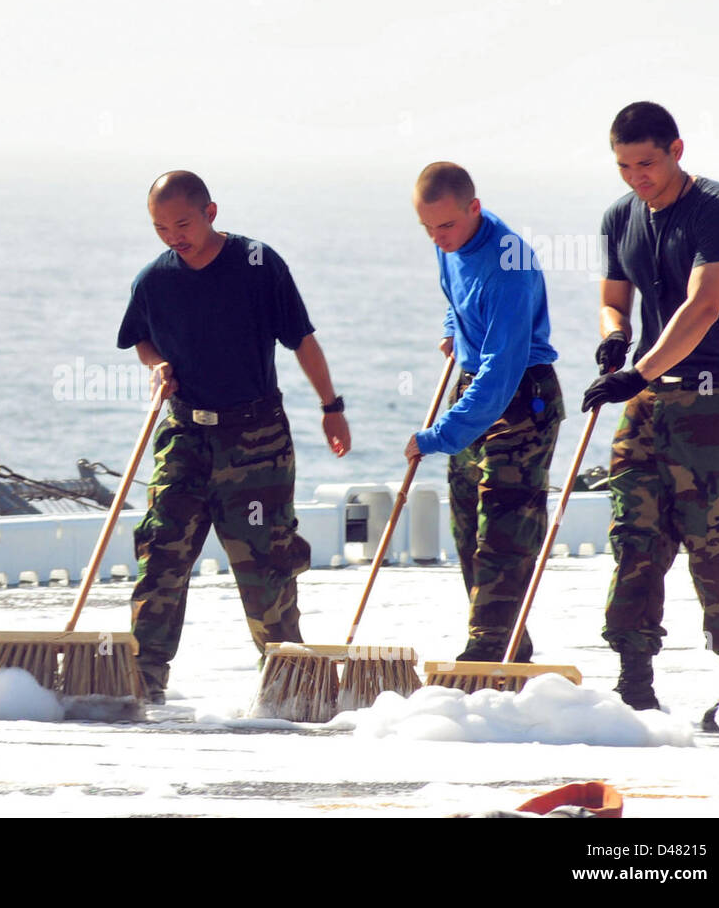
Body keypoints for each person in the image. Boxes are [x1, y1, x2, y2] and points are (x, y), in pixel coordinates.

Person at [116, 170, 350, 703]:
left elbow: (302, 340)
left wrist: (331, 407)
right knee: (160, 557)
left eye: (183, 223)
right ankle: (140, 686)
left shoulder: (257, 265)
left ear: (211, 213)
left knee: (267, 565)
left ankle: (291, 690)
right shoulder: (153, 279)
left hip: (256, 438)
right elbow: (142, 339)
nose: (174, 236)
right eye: (160, 227)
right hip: (184, 435)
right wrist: (156, 366)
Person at [583, 101, 719, 730]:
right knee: (635, 537)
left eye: (647, 164)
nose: (637, 178)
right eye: (624, 166)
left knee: (717, 548)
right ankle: (634, 687)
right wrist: (613, 335)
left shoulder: (717, 209)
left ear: (677, 151)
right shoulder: (620, 215)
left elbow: (704, 305)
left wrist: (637, 371)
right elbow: (612, 295)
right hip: (648, 401)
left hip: (715, 401)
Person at [404, 162, 564, 663]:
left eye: (446, 226)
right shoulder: (445, 239)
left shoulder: (510, 261)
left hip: (520, 396)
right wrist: (454, 325)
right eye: (427, 228)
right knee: (468, 530)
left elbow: (501, 373)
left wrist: (437, 437)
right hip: (473, 387)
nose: (438, 237)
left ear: (474, 207)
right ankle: (511, 644)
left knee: (502, 528)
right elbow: (454, 292)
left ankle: (487, 651)